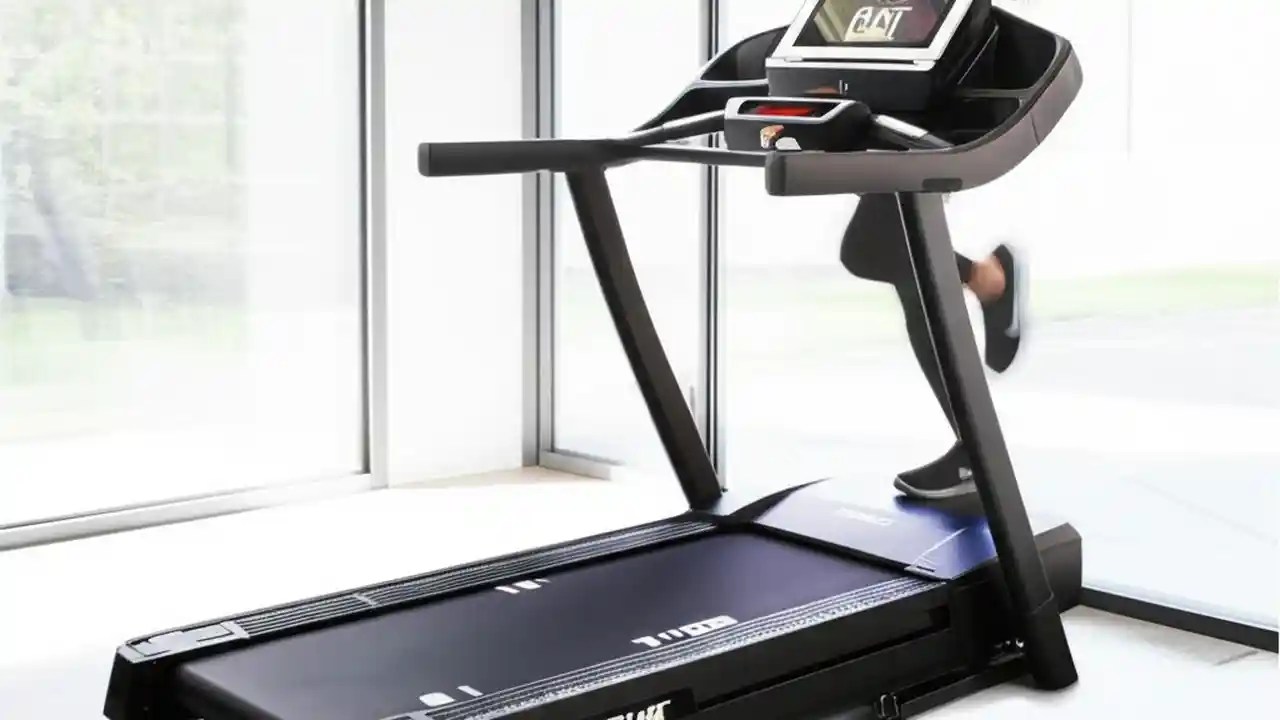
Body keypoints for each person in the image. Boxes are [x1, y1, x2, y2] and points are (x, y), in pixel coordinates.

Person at [840, 193, 1024, 499]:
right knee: (883, 252)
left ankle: (974, 448)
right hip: (898, 148)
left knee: (871, 249)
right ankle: (974, 448)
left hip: (909, 147)